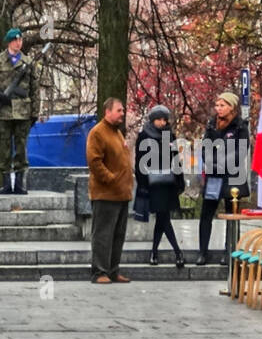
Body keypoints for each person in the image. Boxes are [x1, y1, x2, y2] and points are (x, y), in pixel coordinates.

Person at [0, 28, 41, 195]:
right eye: (15, 40)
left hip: (23, 111)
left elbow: (35, 89)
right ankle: (6, 184)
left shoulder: (28, 62)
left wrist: (35, 112)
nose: (18, 43)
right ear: (9, 42)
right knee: (4, 148)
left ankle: (19, 184)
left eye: (20, 40)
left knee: (21, 148)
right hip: (4, 111)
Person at [197, 91, 249, 265]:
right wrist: (211, 162)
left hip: (232, 177)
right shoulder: (212, 125)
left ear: (231, 107)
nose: (218, 109)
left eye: (222, 105)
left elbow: (240, 152)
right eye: (217, 105)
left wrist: (221, 163)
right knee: (206, 214)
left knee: (232, 215)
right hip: (214, 177)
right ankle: (202, 252)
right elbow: (205, 148)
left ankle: (230, 252)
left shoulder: (240, 127)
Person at [86, 97, 133, 284]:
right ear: (108, 112)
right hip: (106, 194)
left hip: (121, 194)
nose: (122, 113)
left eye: (123, 110)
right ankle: (99, 272)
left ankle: (113, 270)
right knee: (103, 235)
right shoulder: (98, 132)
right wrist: (110, 179)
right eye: (119, 110)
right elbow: (94, 161)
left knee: (117, 235)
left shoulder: (117, 133)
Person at [135, 104, 185, 268]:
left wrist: (180, 181)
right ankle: (177, 252)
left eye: (164, 119)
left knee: (162, 219)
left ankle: (154, 253)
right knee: (163, 217)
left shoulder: (169, 136)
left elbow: (176, 159)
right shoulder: (144, 136)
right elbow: (139, 161)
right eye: (159, 119)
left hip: (168, 183)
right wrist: (143, 184)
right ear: (152, 120)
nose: (162, 122)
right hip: (153, 184)